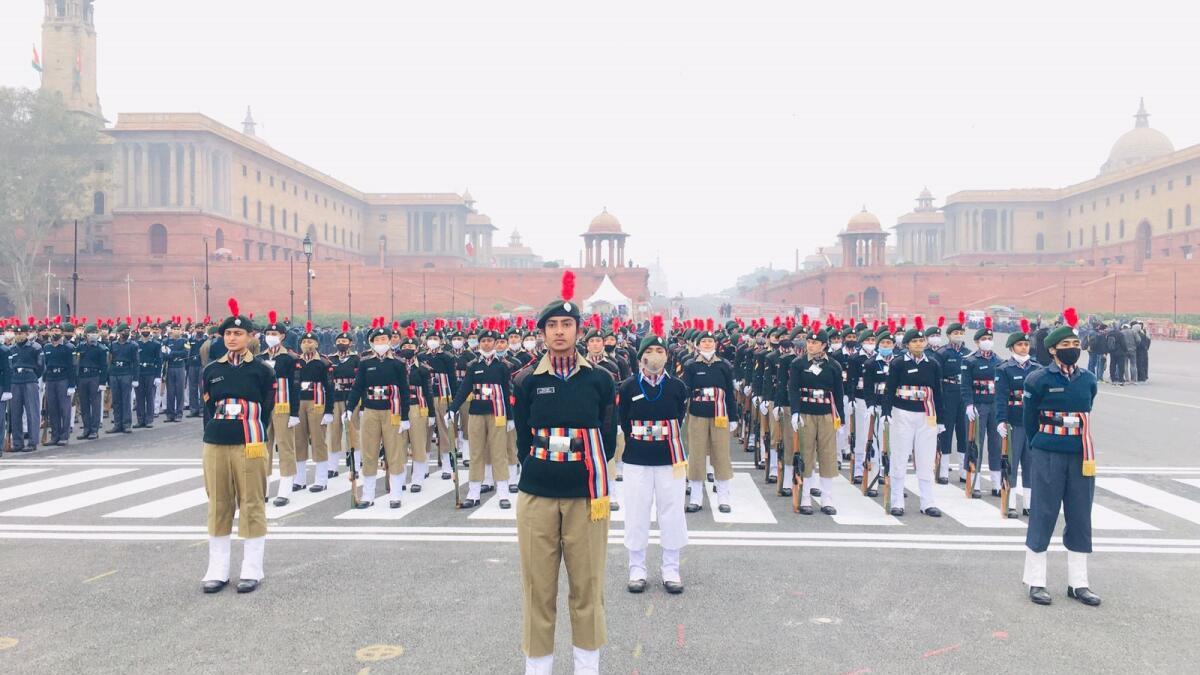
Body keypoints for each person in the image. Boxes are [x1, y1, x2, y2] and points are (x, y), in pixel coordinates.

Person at [512, 271, 616, 674]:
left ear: (578, 331)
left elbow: (608, 435)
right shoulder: (526, 380)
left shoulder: (600, 380)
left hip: (585, 497)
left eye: (567, 324)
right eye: (552, 325)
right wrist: (538, 466)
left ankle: (586, 667)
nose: (559, 331)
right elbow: (523, 438)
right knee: (537, 589)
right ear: (541, 333)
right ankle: (538, 667)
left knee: (587, 588)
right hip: (537, 494)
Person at [1021, 307, 1101, 607]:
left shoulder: (1088, 379)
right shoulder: (1038, 379)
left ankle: (1078, 583)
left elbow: (1087, 408)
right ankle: (1036, 581)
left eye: (1075, 344)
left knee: (1080, 516)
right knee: (1043, 514)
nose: (1072, 349)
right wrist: (1039, 445)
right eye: (1065, 345)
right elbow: (1029, 419)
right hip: (1049, 453)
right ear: (1053, 350)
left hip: (1080, 454)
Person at [200, 298, 274, 594]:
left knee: (252, 503)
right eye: (228, 333)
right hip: (217, 441)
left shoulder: (262, 370)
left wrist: (255, 431)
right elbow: (208, 407)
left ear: (250, 337)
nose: (232, 338)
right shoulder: (211, 370)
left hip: (249, 441)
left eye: (238, 334)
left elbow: (267, 407)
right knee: (218, 503)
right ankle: (217, 570)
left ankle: (252, 569)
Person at [618, 316, 689, 594]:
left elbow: (679, 417)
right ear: (640, 357)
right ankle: (637, 568)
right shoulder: (628, 387)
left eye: (660, 350)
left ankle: (671, 568)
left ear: (667, 356)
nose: (655, 355)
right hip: (637, 457)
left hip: (670, 457)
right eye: (649, 350)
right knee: (637, 511)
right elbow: (624, 420)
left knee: (672, 512)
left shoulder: (677, 387)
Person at [880, 317, 945, 518]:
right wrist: (886, 412)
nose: (918, 344)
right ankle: (897, 501)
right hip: (903, 412)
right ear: (907, 344)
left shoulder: (933, 364)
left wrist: (941, 419)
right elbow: (890, 389)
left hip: (926, 413)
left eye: (921, 341)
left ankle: (928, 502)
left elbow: (938, 392)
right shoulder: (899, 363)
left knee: (926, 459)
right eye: (914, 341)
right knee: (900, 457)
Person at [345, 319, 411, 508]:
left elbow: (405, 390)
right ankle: (368, 495)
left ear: (390, 341)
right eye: (377, 340)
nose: (381, 342)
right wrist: (349, 407)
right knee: (369, 452)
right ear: (372, 343)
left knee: (394, 453)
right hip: (371, 410)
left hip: (392, 411)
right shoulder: (366, 363)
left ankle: (395, 494)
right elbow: (358, 387)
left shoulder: (398, 363)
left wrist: (405, 417)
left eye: (384, 339)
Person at [448, 324, 514, 508]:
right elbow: (464, 390)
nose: (486, 344)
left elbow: (507, 393)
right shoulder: (473, 366)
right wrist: (453, 408)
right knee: (476, 453)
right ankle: (474, 493)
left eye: (490, 340)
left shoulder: (503, 366)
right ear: (479, 343)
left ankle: (503, 493)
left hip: (497, 414)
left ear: (495, 343)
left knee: (499, 453)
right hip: (477, 413)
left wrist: (510, 417)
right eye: (483, 341)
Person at [787, 321, 845, 516]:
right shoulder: (799, 364)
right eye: (809, 342)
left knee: (827, 456)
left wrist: (841, 420)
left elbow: (838, 393)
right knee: (806, 455)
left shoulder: (833, 365)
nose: (810, 345)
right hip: (806, 413)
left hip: (827, 413)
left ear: (824, 345)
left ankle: (827, 499)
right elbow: (793, 389)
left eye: (815, 343)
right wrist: (795, 412)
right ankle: (805, 498)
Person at [681, 328, 738, 513]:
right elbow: (685, 392)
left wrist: (734, 417)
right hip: (697, 414)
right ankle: (696, 498)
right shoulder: (691, 365)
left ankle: (723, 497)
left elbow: (729, 394)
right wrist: (682, 414)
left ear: (715, 344)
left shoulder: (724, 365)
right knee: (696, 455)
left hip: (719, 415)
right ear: (698, 345)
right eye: (704, 341)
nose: (707, 344)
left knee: (721, 455)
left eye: (710, 341)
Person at [996, 319, 1041, 518]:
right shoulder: (1004, 369)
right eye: (1020, 344)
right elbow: (1000, 398)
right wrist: (1001, 420)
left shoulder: (1037, 368)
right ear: (1011, 347)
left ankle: (1029, 504)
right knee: (1011, 464)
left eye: (1026, 344)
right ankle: (1011, 503)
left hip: (1032, 422)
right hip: (1013, 421)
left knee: (1031, 464)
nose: (1024, 347)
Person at [258, 313, 301, 507]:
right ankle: (264, 488)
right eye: (268, 333)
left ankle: (285, 489)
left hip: (283, 406)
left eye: (274, 334)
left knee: (285, 446)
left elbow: (295, 386)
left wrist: (295, 413)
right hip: (263, 408)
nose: (271, 336)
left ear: (282, 336)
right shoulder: (260, 358)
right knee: (263, 448)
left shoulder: (290, 358)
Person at [963, 317, 1003, 496]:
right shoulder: (970, 361)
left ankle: (996, 482)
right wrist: (969, 404)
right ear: (977, 342)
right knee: (975, 443)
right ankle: (975, 481)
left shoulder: (999, 361)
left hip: (994, 404)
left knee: (996, 444)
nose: (987, 341)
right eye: (983, 339)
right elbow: (965, 386)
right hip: (978, 405)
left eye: (989, 338)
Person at [935, 312, 970, 484]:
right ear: (949, 335)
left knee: (963, 431)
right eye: (956, 333)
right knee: (947, 431)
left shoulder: (969, 353)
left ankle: (963, 471)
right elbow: (937, 377)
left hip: (963, 393)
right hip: (948, 392)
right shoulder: (942, 353)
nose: (959, 335)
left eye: (961, 333)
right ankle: (943, 470)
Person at [7, 321, 43, 452]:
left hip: (29, 380)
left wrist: (33, 377)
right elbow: (9, 365)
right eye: (16, 333)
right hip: (15, 381)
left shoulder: (35, 347)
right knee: (15, 413)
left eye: (21, 333)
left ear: (27, 334)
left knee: (32, 412)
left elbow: (40, 367)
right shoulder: (12, 348)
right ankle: (18, 442)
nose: (18, 336)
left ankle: (32, 442)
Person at [41, 318, 76, 446]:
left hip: (63, 379)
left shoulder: (68, 347)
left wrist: (71, 385)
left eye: (57, 330)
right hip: (51, 379)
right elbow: (45, 365)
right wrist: (44, 380)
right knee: (52, 408)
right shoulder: (47, 347)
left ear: (62, 332)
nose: (55, 332)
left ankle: (64, 436)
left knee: (64, 408)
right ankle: (55, 435)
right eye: (53, 330)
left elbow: (72, 367)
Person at [74, 322, 109, 440]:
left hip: (95, 377)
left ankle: (94, 430)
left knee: (95, 405)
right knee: (84, 405)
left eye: (95, 332)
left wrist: (102, 383)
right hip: (82, 377)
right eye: (90, 333)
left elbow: (104, 367)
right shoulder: (80, 347)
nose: (93, 335)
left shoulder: (101, 349)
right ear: (86, 335)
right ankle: (86, 429)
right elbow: (76, 362)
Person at [106, 322, 139, 435]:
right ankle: (117, 424)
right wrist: (108, 375)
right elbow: (109, 360)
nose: (126, 333)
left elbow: (136, 362)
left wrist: (135, 378)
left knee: (126, 400)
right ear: (119, 332)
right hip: (114, 373)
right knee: (116, 400)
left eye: (127, 331)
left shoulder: (133, 345)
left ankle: (126, 424)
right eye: (124, 331)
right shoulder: (113, 345)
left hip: (126, 373)